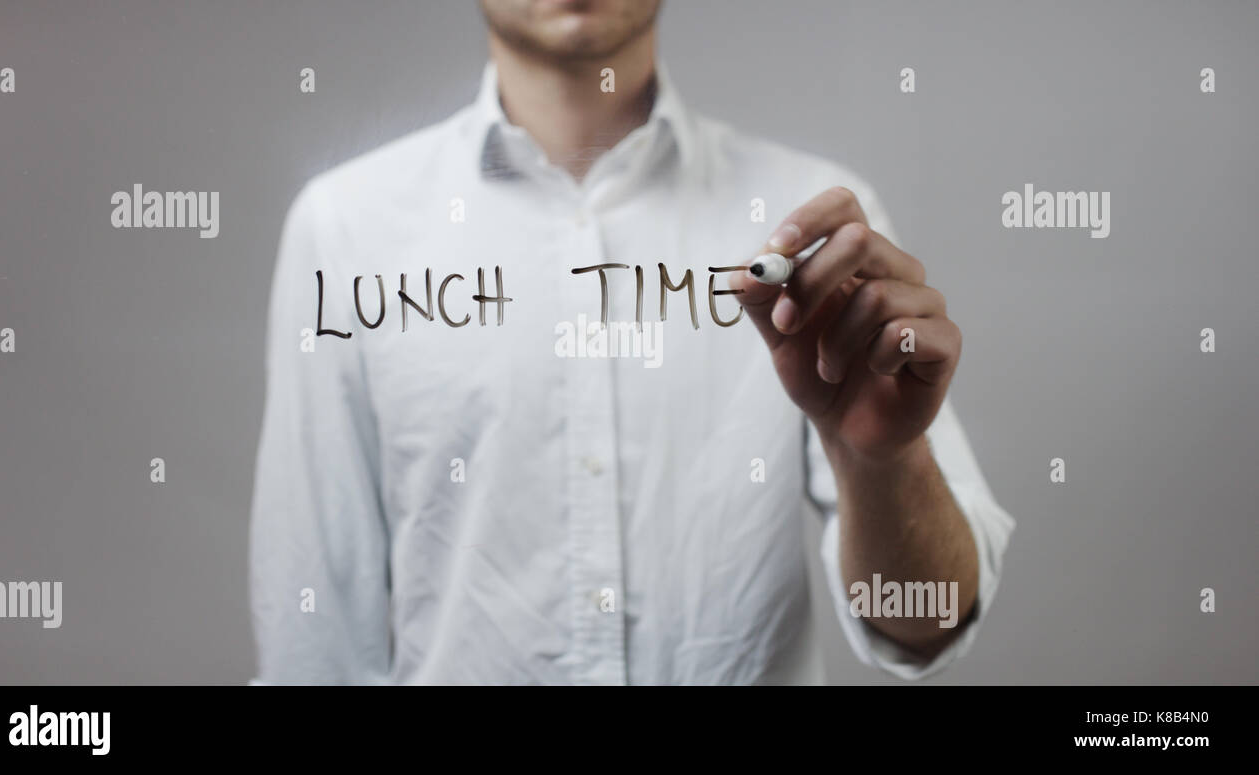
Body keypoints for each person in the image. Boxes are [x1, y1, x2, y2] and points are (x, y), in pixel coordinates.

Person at [249, 0, 1015, 684]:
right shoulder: (346, 231)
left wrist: (881, 461)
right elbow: (313, 652)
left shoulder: (813, 227)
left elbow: (930, 620)